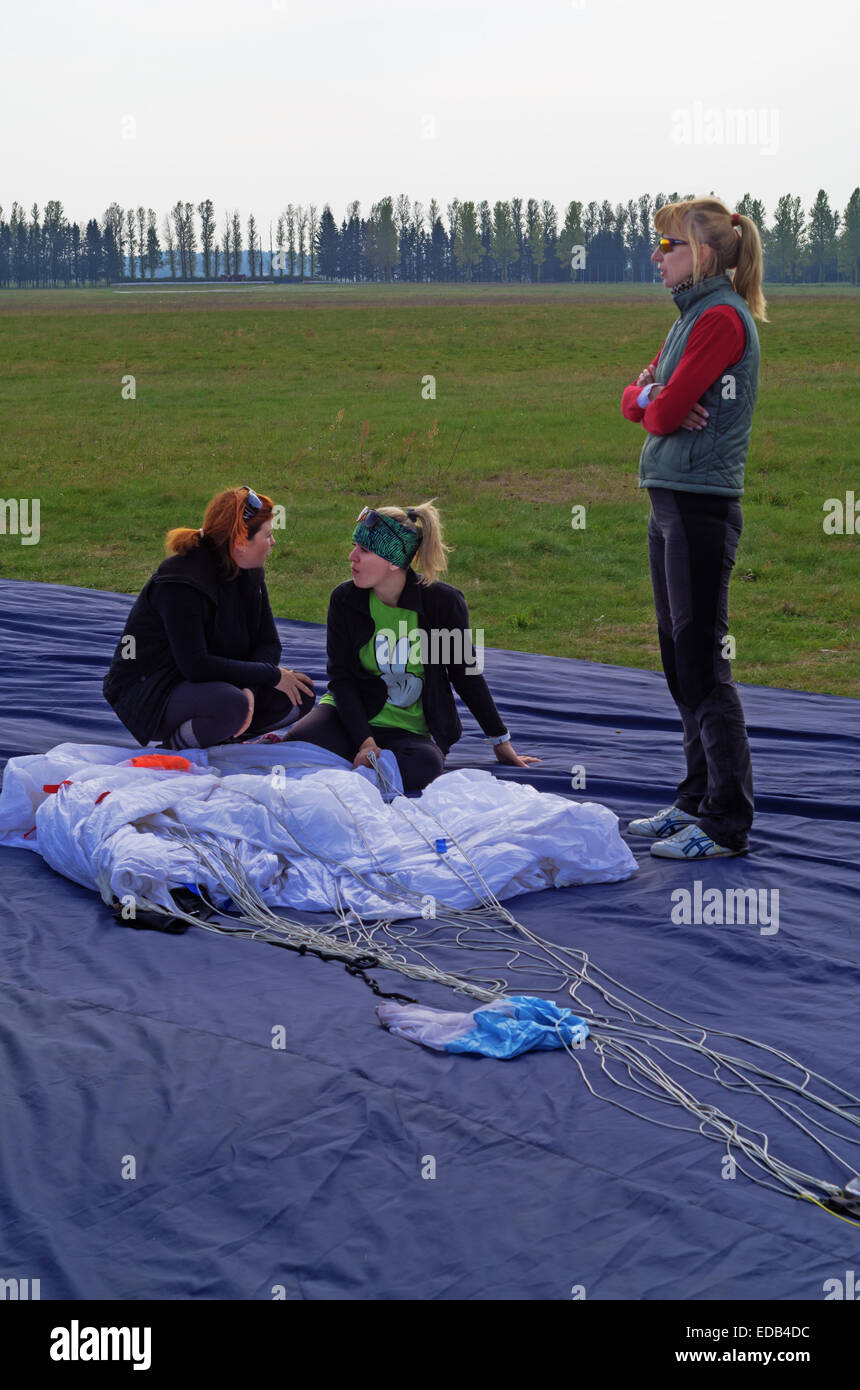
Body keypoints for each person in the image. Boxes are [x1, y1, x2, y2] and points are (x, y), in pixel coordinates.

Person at [621, 198, 767, 858]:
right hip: (670, 502)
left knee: (703, 664)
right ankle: (695, 799)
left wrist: (658, 399)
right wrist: (655, 396)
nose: (657, 256)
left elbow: (657, 411)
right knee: (679, 661)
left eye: (667, 244)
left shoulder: (719, 320)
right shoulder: (688, 316)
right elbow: (636, 401)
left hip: (699, 506)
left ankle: (727, 822)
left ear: (701, 253)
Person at [276, 500, 538, 792]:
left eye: (364, 550)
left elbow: (465, 675)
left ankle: (355, 772)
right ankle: (362, 766)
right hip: (352, 717)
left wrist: (500, 741)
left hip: (410, 731)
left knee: (424, 766)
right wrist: (365, 742)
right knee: (296, 746)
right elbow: (341, 678)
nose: (352, 557)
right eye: (354, 546)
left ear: (393, 561)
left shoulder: (441, 604)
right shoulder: (345, 599)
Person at [103, 485, 315, 749]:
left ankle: (220, 735)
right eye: (268, 535)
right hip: (154, 687)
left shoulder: (249, 570)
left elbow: (268, 643)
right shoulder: (181, 582)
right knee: (231, 704)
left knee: (299, 692)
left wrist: (251, 688)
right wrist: (268, 676)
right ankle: (175, 749)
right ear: (240, 543)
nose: (273, 542)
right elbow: (196, 665)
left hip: (214, 681)